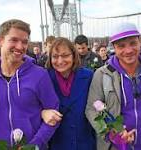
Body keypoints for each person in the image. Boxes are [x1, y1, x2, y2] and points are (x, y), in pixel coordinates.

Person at [0, 19, 60, 149]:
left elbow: (54, 116)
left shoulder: (39, 75)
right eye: (14, 40)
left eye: (24, 42)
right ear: (0, 41)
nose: (20, 46)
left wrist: (35, 145)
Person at [85, 22, 141, 150]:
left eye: (133, 43)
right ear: (114, 48)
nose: (128, 50)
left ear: (139, 42)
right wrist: (111, 134)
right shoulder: (101, 74)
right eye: (121, 46)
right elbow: (91, 109)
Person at [41, 37, 96, 150]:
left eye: (65, 55)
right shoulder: (44, 78)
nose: (60, 61)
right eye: (55, 56)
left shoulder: (89, 76)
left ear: (73, 55)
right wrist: (42, 113)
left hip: (85, 142)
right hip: (57, 143)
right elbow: (32, 106)